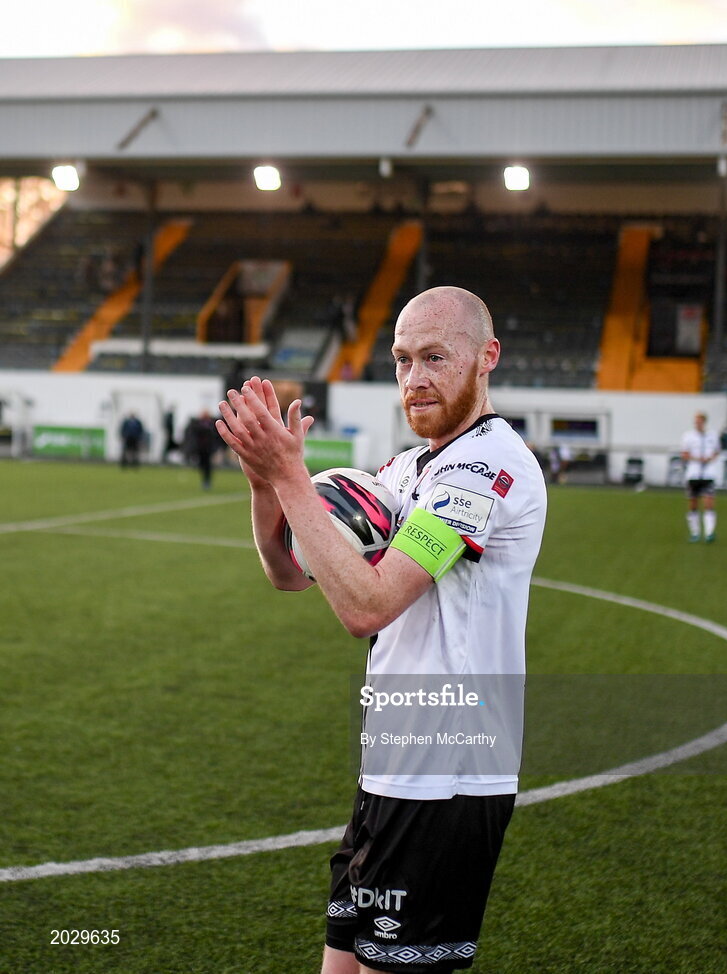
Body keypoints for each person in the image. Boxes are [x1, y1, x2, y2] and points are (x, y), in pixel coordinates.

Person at [216, 286, 547, 974]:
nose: (414, 378)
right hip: (392, 765)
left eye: (434, 356)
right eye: (401, 360)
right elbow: (286, 572)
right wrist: (266, 487)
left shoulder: (486, 468)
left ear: (486, 358)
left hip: (448, 780)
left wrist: (294, 481)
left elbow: (366, 606)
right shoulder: (404, 469)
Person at [680, 411, 720, 543]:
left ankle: (709, 532)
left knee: (709, 502)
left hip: (708, 474)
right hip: (693, 474)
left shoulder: (712, 435)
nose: (697, 424)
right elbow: (684, 454)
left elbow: (717, 451)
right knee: (693, 503)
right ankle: (695, 532)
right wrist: (698, 459)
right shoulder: (688, 436)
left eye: (699, 421)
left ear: (704, 422)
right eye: (696, 422)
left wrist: (710, 459)